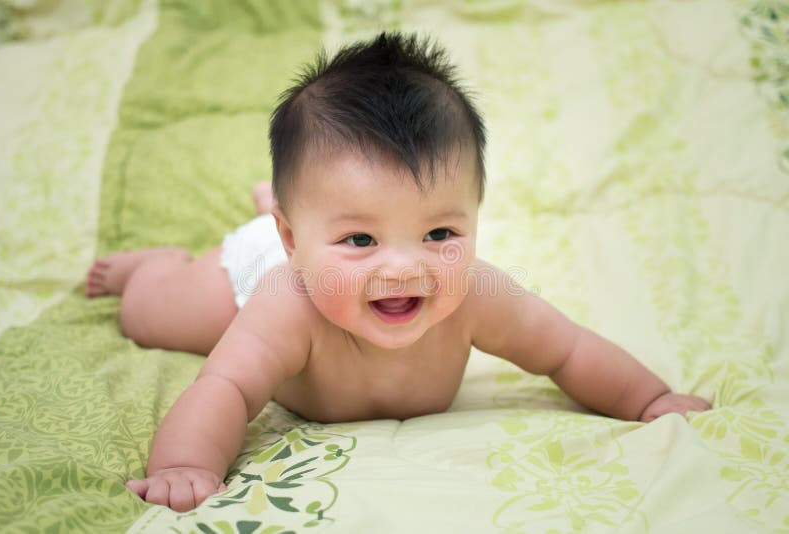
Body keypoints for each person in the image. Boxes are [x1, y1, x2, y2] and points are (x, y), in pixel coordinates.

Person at [85, 32, 711, 512]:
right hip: (252, 275)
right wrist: (185, 464)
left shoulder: (476, 294)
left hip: (310, 237)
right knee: (154, 314)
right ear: (292, 241)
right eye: (362, 238)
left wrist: (648, 398)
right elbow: (226, 388)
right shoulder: (286, 300)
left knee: (342, 224)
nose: (404, 269)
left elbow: (568, 351)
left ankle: (310, 213)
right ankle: (159, 265)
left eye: (440, 233)